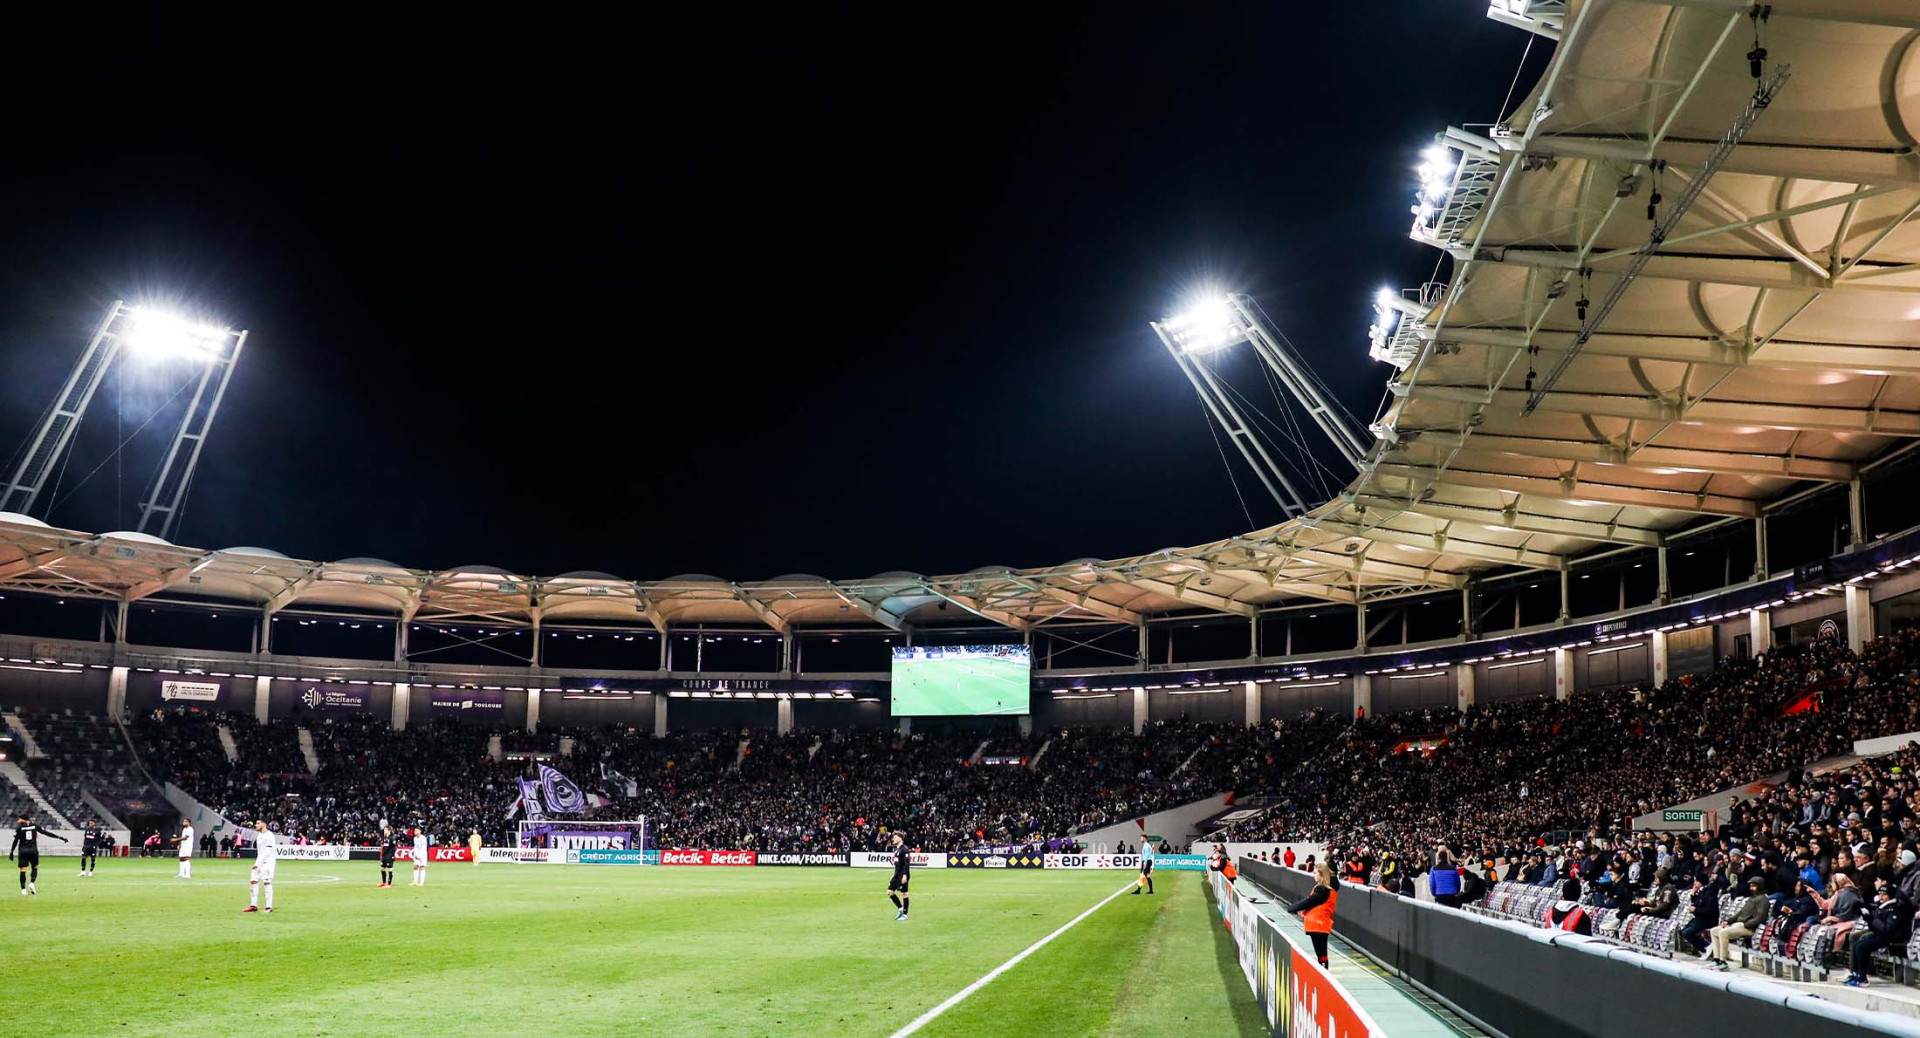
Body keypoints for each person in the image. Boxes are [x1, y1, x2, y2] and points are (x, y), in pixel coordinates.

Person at [1844, 882, 1914, 987]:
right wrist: (1867, 918)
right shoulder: (1882, 907)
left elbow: (1887, 929)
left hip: (1892, 937)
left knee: (1862, 947)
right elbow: (1876, 926)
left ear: (1890, 895)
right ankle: (1856, 973)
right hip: (1882, 935)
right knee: (1857, 944)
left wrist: (1872, 919)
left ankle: (1862, 978)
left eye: (1884, 894)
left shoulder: (1895, 908)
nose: (1881, 896)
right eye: (1879, 893)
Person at [1707, 878, 1769, 971]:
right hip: (1739, 924)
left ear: (1759, 886)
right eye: (1751, 886)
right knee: (1714, 931)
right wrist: (1728, 921)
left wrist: (1747, 924)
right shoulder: (1752, 898)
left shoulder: (1763, 900)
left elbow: (1761, 917)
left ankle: (1723, 962)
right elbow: (1740, 913)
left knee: (1723, 933)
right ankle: (1717, 959)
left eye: (1754, 886)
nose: (1751, 888)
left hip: (1748, 928)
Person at [1287, 864, 1339, 968]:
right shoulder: (1328, 889)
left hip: (1318, 925)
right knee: (1321, 954)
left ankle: (1324, 976)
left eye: (1315, 873)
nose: (1313, 875)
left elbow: (1309, 901)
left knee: (1321, 954)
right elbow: (1313, 904)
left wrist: (1292, 908)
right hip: (1320, 924)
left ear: (1322, 874)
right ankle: (1324, 973)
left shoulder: (1322, 890)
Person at [10, 810, 66, 895]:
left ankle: (23, 889)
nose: (18, 820)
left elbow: (15, 840)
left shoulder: (20, 828)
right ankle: (32, 883)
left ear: (23, 819)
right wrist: (60, 837)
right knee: (35, 867)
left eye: (19, 819)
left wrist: (11, 851)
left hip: (23, 851)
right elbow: (46, 833)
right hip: (33, 851)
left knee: (23, 870)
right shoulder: (34, 826)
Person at [1679, 874, 1719, 956]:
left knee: (1687, 933)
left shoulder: (1709, 893)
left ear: (1701, 882)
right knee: (1682, 932)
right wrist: (1693, 896)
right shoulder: (1701, 892)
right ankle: (1704, 947)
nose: (1694, 883)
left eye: (1696, 881)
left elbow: (1710, 910)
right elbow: (1696, 904)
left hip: (1708, 920)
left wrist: (1696, 910)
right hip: (1700, 918)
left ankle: (1706, 946)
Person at [244, 821, 278, 914]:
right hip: (259, 862)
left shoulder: (269, 835)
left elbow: (267, 850)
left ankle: (269, 907)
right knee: (253, 881)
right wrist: (258, 862)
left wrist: (258, 862)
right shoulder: (259, 836)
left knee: (267, 882)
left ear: (264, 824)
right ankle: (253, 905)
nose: (256, 825)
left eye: (258, 823)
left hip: (268, 862)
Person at [887, 832, 911, 921]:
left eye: (895, 837)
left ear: (900, 838)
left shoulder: (905, 849)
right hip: (897, 874)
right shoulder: (896, 850)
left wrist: (905, 875)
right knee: (890, 892)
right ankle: (900, 909)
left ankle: (905, 914)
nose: (893, 839)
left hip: (903, 874)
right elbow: (897, 864)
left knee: (904, 893)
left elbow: (906, 864)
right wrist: (894, 874)